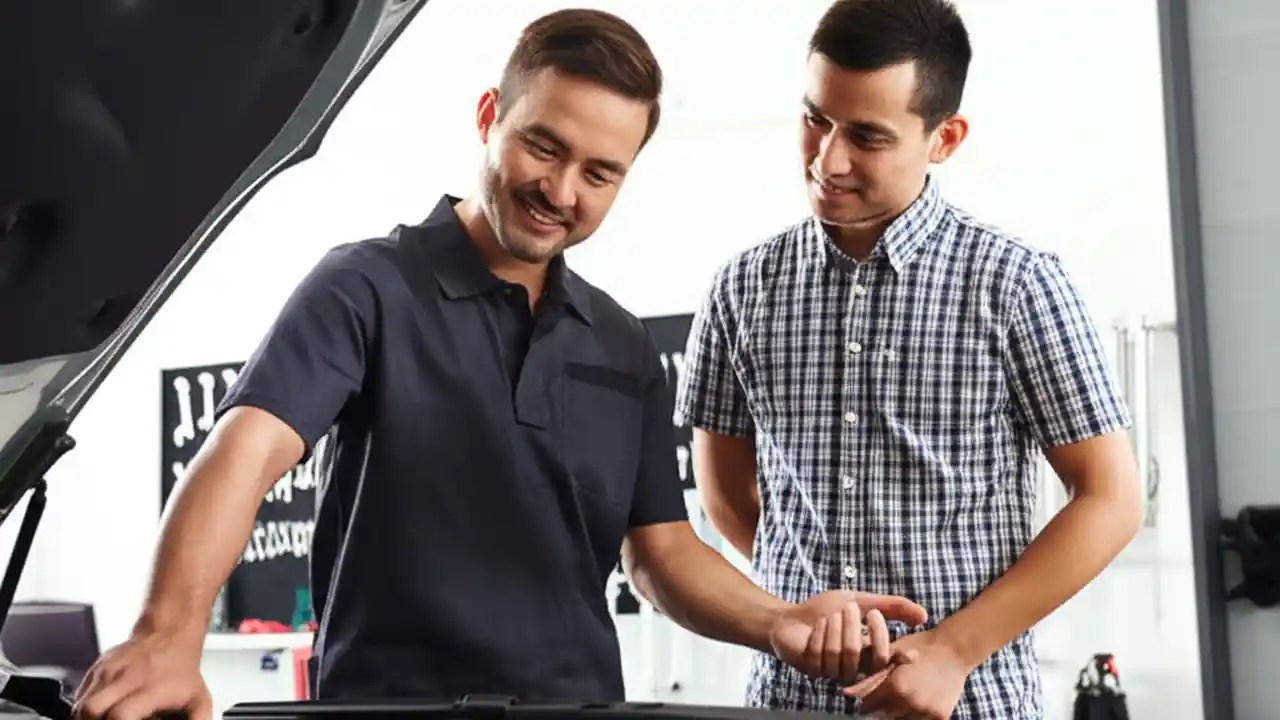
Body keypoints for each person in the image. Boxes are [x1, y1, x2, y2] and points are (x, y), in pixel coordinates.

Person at [71, 9, 929, 720]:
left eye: (600, 173)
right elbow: (245, 452)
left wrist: (780, 622)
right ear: (490, 116)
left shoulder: (624, 345)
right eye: (544, 147)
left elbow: (661, 556)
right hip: (383, 711)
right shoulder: (364, 287)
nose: (562, 191)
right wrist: (168, 638)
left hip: (578, 708)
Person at [674, 0, 1143, 717]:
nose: (828, 159)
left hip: (972, 702)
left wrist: (954, 649)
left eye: (867, 136)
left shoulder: (1016, 284)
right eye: (815, 119)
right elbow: (727, 498)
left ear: (944, 139)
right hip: (789, 699)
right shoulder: (741, 287)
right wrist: (815, 621)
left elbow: (1111, 498)